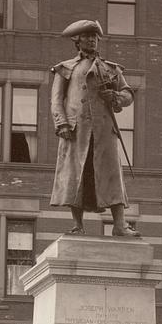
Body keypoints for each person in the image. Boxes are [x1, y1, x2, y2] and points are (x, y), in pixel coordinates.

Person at [49, 19, 140, 237]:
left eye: (95, 36)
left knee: (111, 175)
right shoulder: (65, 68)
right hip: (76, 131)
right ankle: (78, 225)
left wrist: (116, 96)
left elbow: (128, 94)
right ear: (77, 40)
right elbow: (56, 100)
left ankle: (119, 224)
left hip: (103, 132)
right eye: (87, 36)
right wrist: (61, 123)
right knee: (75, 176)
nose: (92, 40)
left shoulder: (111, 68)